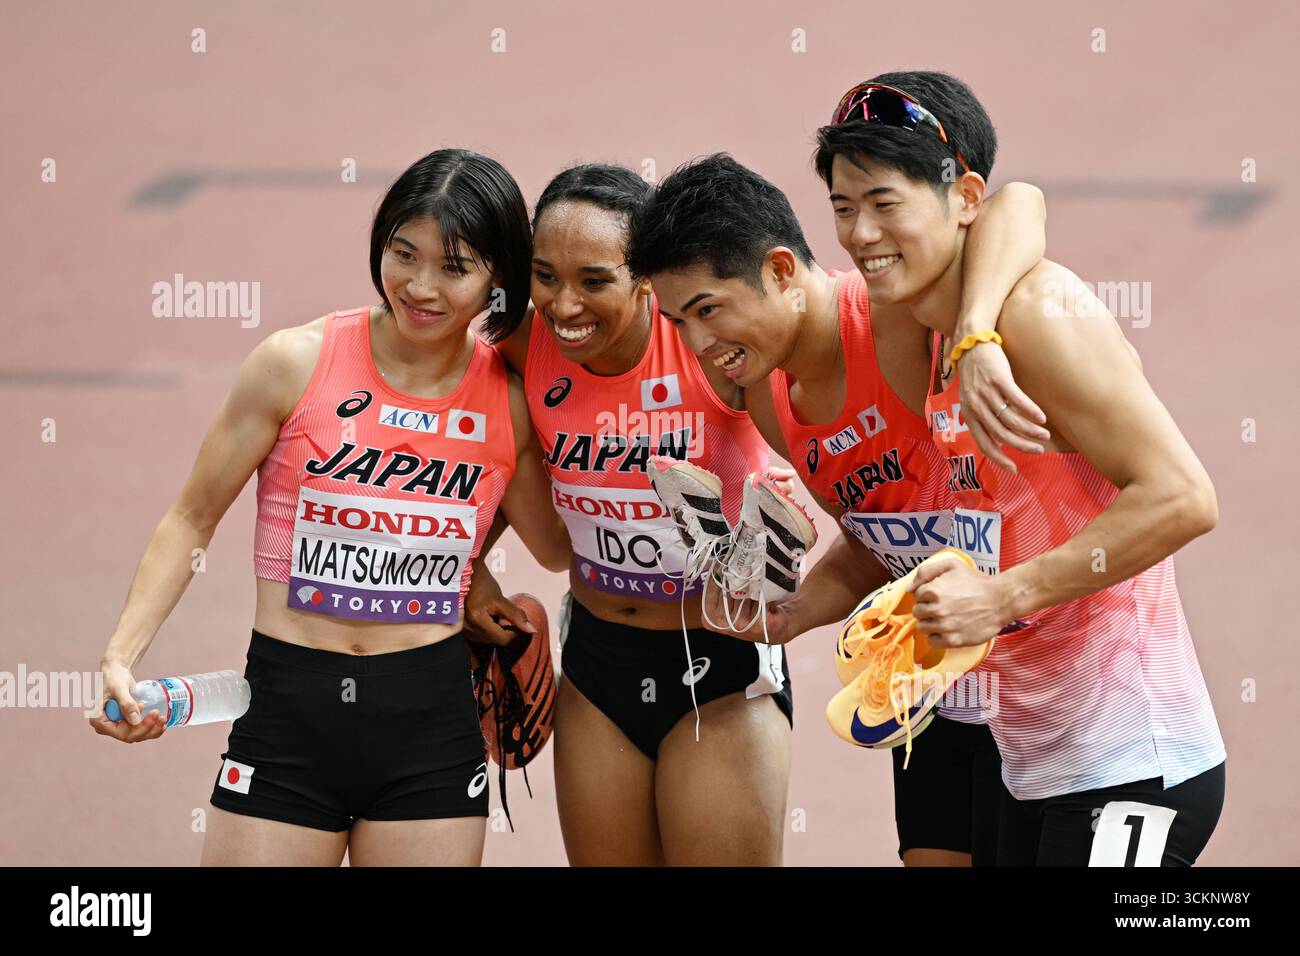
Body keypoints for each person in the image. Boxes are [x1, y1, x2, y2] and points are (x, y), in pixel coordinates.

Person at [90, 149, 569, 867]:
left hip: (430, 730)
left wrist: (465, 568)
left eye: (454, 267)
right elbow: (192, 517)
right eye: (402, 252)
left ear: (498, 279)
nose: (419, 285)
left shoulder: (507, 400)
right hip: (288, 716)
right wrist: (121, 657)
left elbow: (556, 547)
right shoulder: (295, 363)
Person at [815, 70, 1226, 866]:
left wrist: (999, 597)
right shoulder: (931, 331)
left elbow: (1184, 498)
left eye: (885, 203)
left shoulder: (1036, 314)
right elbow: (1016, 202)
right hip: (1031, 767)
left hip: (1131, 766)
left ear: (962, 197)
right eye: (842, 207)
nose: (861, 234)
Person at [625, 148, 1050, 867]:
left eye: (707, 311)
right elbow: (875, 541)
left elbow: (1021, 200)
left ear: (782, 271)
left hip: (1045, 685)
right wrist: (789, 615)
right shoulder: (769, 397)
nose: (699, 345)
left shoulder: (896, 314)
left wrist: (976, 329)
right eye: (678, 323)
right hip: (933, 691)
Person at [467, 164, 796, 865]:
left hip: (721, 657)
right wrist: (469, 571)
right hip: (598, 660)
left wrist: (791, 506)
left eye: (593, 280)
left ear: (645, 279)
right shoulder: (522, 346)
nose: (563, 304)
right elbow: (486, 460)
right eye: (545, 275)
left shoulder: (707, 346)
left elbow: (811, 450)